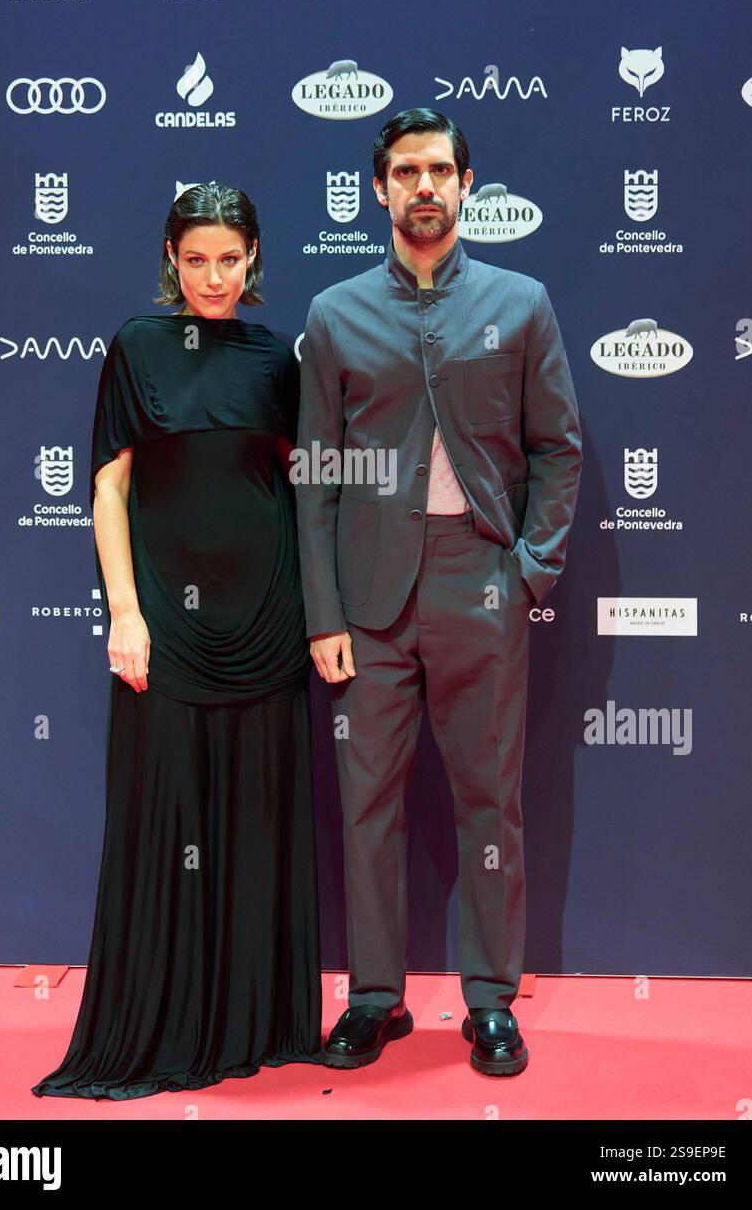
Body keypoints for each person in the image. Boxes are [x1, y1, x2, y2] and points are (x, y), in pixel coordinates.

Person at [295, 108, 582, 1077]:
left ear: (466, 184)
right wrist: (323, 614)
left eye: (439, 170)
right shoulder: (335, 314)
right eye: (404, 171)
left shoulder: (522, 301)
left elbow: (558, 449)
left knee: (487, 803)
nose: (423, 186)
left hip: (480, 584)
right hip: (369, 599)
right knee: (365, 800)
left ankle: (490, 1001)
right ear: (377, 190)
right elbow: (317, 476)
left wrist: (527, 570)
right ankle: (374, 997)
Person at [32, 183, 322, 1100]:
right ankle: (160, 1027)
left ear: (254, 258)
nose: (212, 276)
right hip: (164, 620)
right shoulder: (136, 346)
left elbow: (298, 488)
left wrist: (319, 611)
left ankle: (257, 1024)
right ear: (170, 258)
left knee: (256, 821)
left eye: (229, 259)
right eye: (194, 258)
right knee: (168, 824)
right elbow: (109, 487)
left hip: (267, 620)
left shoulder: (279, 359)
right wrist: (125, 609)